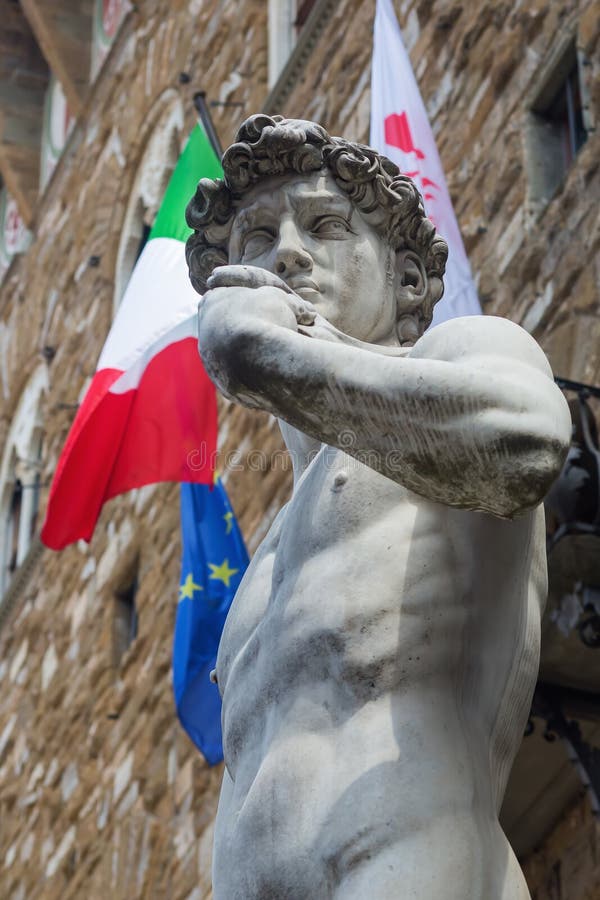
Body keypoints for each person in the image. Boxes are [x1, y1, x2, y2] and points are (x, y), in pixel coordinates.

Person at [186, 115, 571, 900]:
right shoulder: (261, 565)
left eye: (324, 224)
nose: (285, 252)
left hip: (405, 862)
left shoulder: (467, 354)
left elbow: (523, 443)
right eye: (255, 239)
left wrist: (275, 355)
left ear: (403, 277)